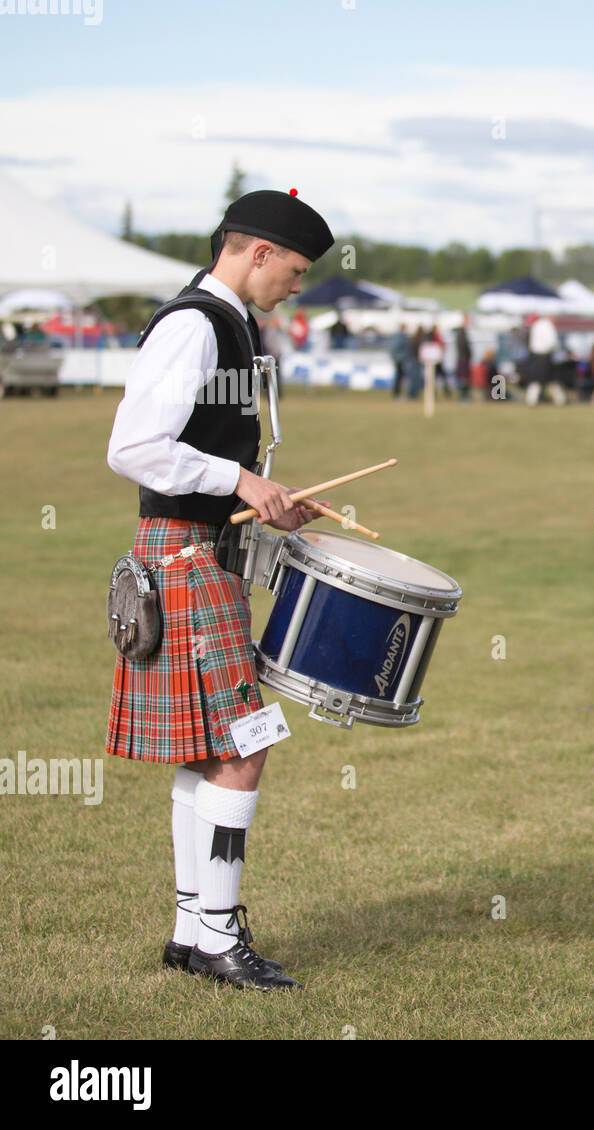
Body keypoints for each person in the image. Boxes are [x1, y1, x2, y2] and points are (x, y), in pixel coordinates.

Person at [105, 188, 334, 992]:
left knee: (209, 751)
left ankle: (188, 929)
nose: (296, 287)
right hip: (185, 556)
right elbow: (135, 445)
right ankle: (217, 937)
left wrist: (264, 497)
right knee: (246, 744)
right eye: (296, 270)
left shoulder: (230, 323)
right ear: (258, 252)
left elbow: (202, 453)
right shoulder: (194, 324)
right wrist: (237, 475)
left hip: (208, 549)